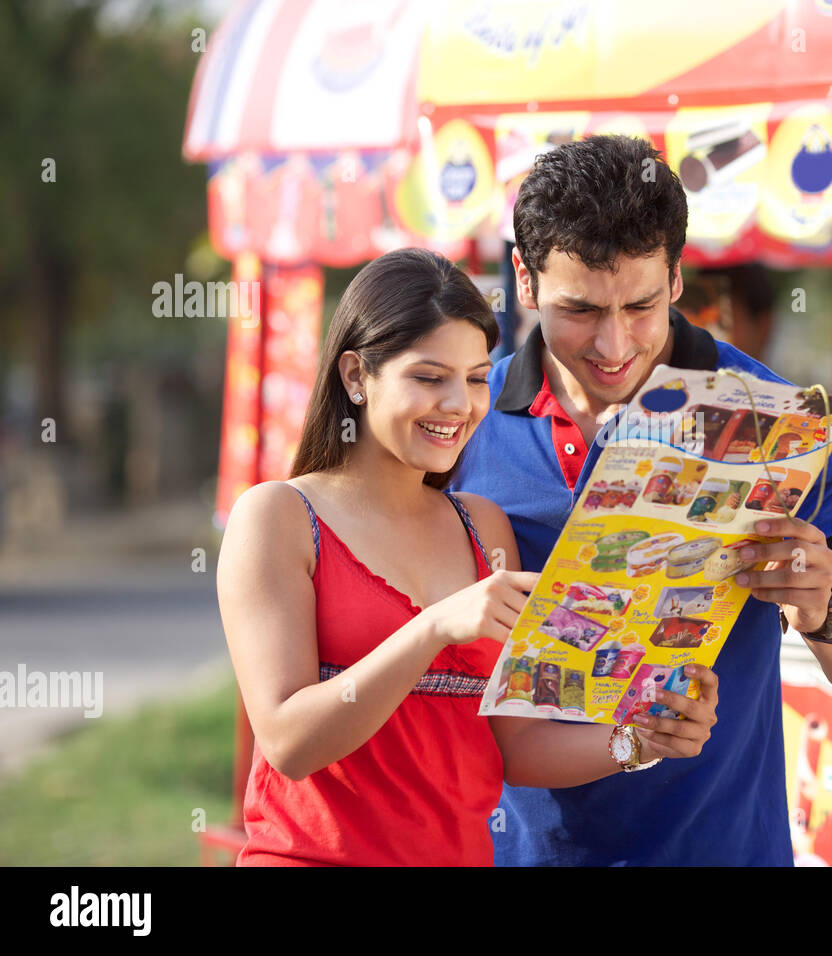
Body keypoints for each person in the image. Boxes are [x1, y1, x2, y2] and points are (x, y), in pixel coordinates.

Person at [451, 135, 832, 866]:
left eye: (640, 305)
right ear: (524, 279)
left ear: (677, 277)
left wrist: (823, 610)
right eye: (579, 309)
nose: (613, 344)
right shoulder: (458, 421)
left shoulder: (781, 425)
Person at [216, 248, 719, 866]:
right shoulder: (278, 517)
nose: (459, 405)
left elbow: (518, 748)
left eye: (477, 378)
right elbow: (289, 740)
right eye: (429, 378)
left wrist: (638, 740)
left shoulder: (483, 527)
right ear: (355, 376)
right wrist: (434, 626)